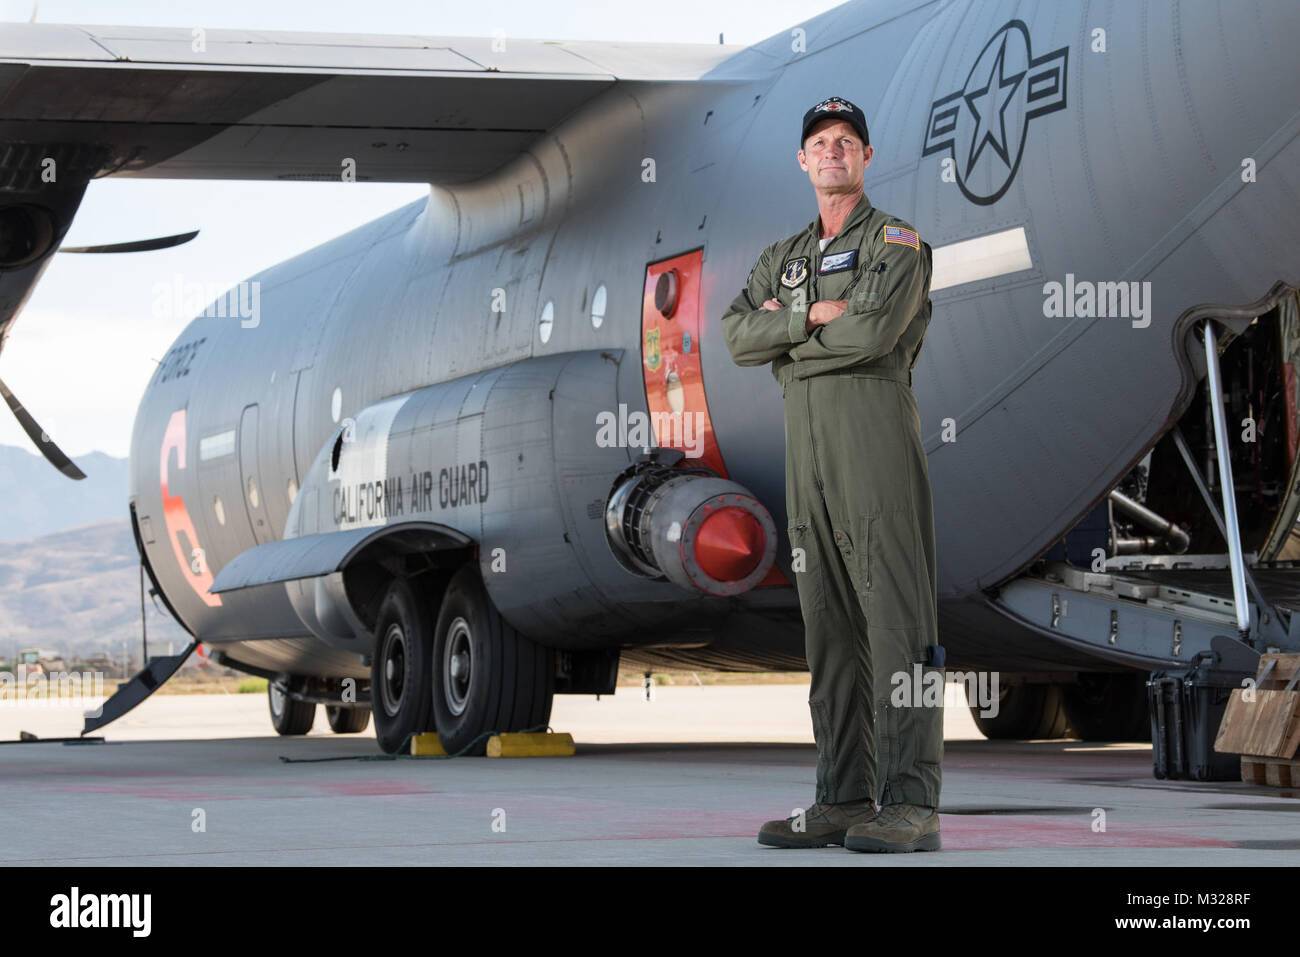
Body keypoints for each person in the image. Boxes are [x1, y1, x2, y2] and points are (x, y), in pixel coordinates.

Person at [720, 96, 943, 852]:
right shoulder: (782, 257)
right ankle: (844, 796)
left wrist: (788, 341)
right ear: (804, 160)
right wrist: (811, 316)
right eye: (821, 142)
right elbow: (734, 334)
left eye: (847, 141)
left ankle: (910, 801)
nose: (834, 152)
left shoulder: (898, 242)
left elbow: (876, 331)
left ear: (867, 158)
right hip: (806, 456)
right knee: (830, 633)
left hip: (872, 443)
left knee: (897, 627)